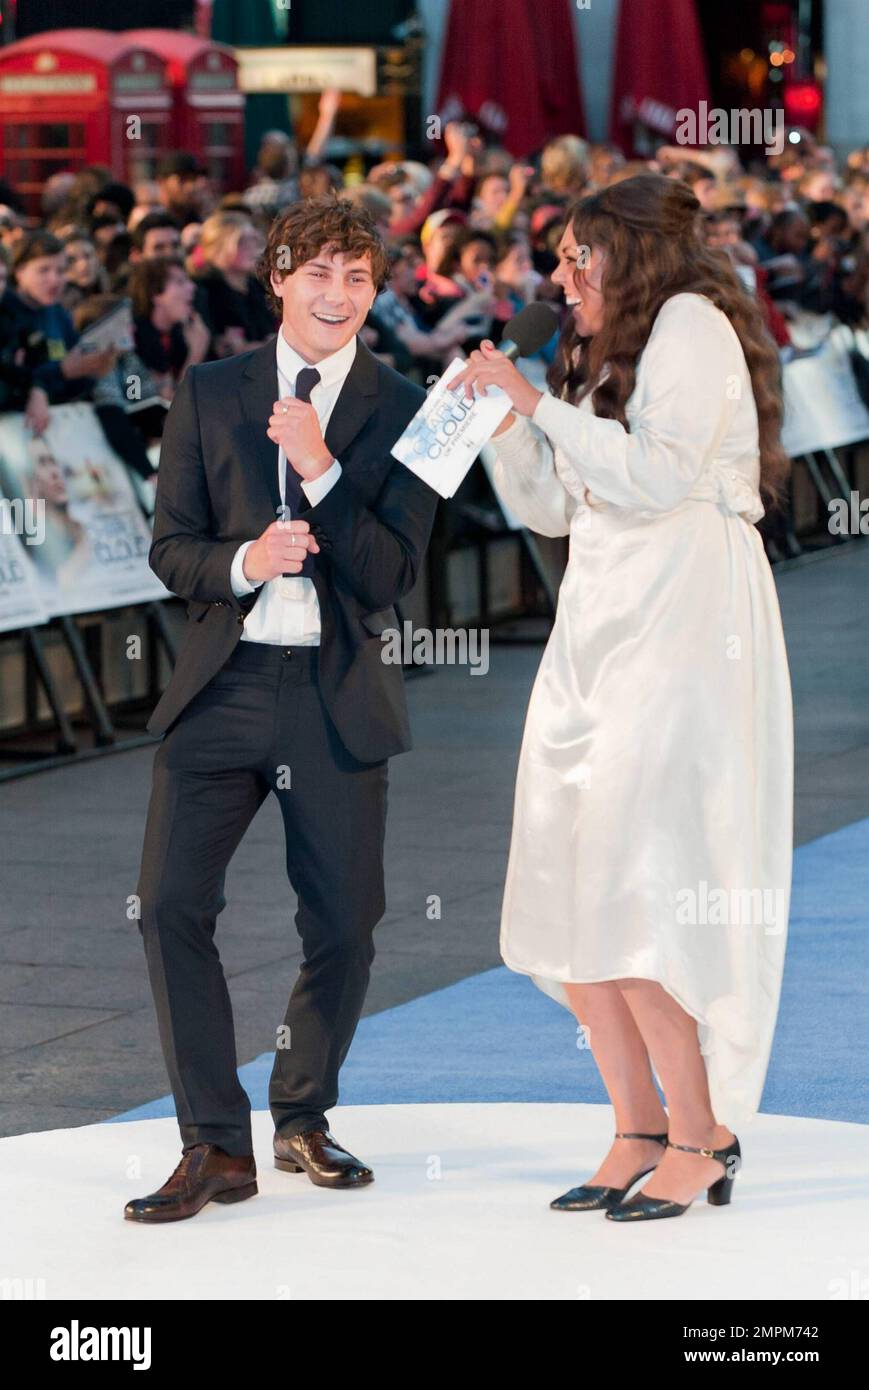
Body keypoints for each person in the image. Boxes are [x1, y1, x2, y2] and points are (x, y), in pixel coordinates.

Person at [452, 173, 794, 1222]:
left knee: (643, 874)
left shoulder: (689, 322)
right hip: (598, 614)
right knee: (571, 876)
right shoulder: (601, 349)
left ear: (627, 253)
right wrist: (506, 425)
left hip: (686, 614)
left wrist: (532, 401)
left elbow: (654, 476)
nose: (557, 274)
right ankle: (634, 1125)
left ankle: (698, 1134)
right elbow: (556, 504)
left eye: (573, 255)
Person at [126, 195, 439, 1223]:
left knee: (345, 921)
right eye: (317, 274)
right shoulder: (208, 390)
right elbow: (170, 547)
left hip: (332, 693)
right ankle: (213, 1143)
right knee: (172, 905)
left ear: (376, 288)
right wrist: (244, 561)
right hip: (221, 686)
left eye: (357, 278)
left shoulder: (407, 407)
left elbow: (391, 572)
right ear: (277, 278)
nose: (336, 296)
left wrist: (322, 469)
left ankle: (301, 1111)